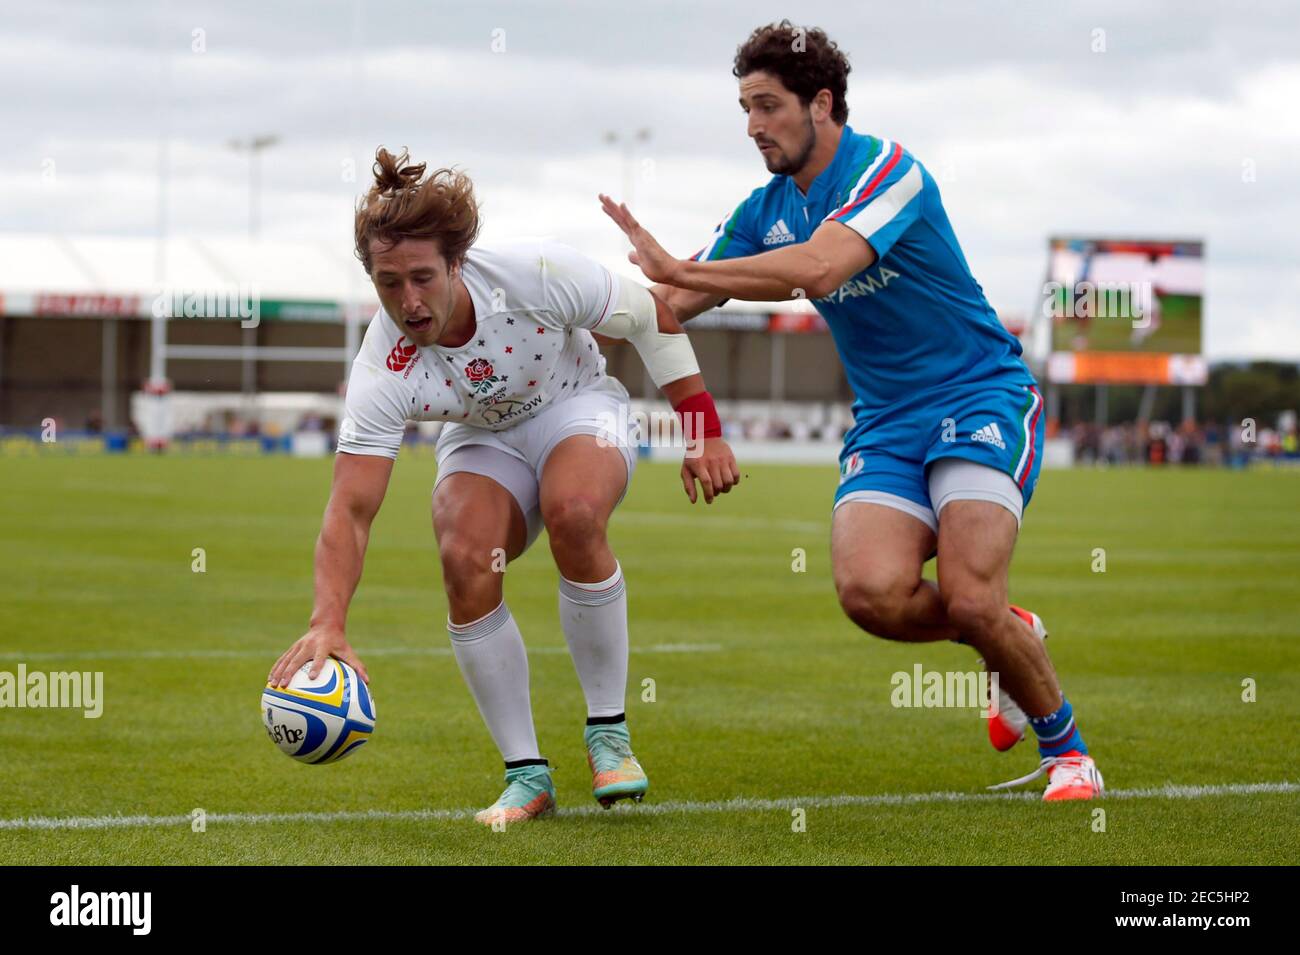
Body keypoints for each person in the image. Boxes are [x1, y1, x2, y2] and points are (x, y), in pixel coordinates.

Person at [600, 21, 1102, 800]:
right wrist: (561, 312)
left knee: (971, 595)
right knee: (870, 594)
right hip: (889, 420)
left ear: (822, 103)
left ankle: (1067, 753)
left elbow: (823, 268)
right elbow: (670, 302)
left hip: (980, 395)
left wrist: (688, 270)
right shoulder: (764, 208)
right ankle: (1010, 633)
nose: (753, 126)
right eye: (745, 108)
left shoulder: (889, 170)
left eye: (767, 106)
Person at [269, 148, 740, 825]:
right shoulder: (383, 367)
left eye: (423, 277)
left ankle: (607, 730)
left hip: (578, 405)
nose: (408, 300)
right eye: (387, 282)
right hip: (483, 438)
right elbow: (350, 508)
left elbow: (650, 314)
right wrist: (328, 620)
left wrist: (703, 429)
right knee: (465, 560)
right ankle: (527, 773)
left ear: (457, 263)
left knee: (574, 512)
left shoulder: (534, 275)